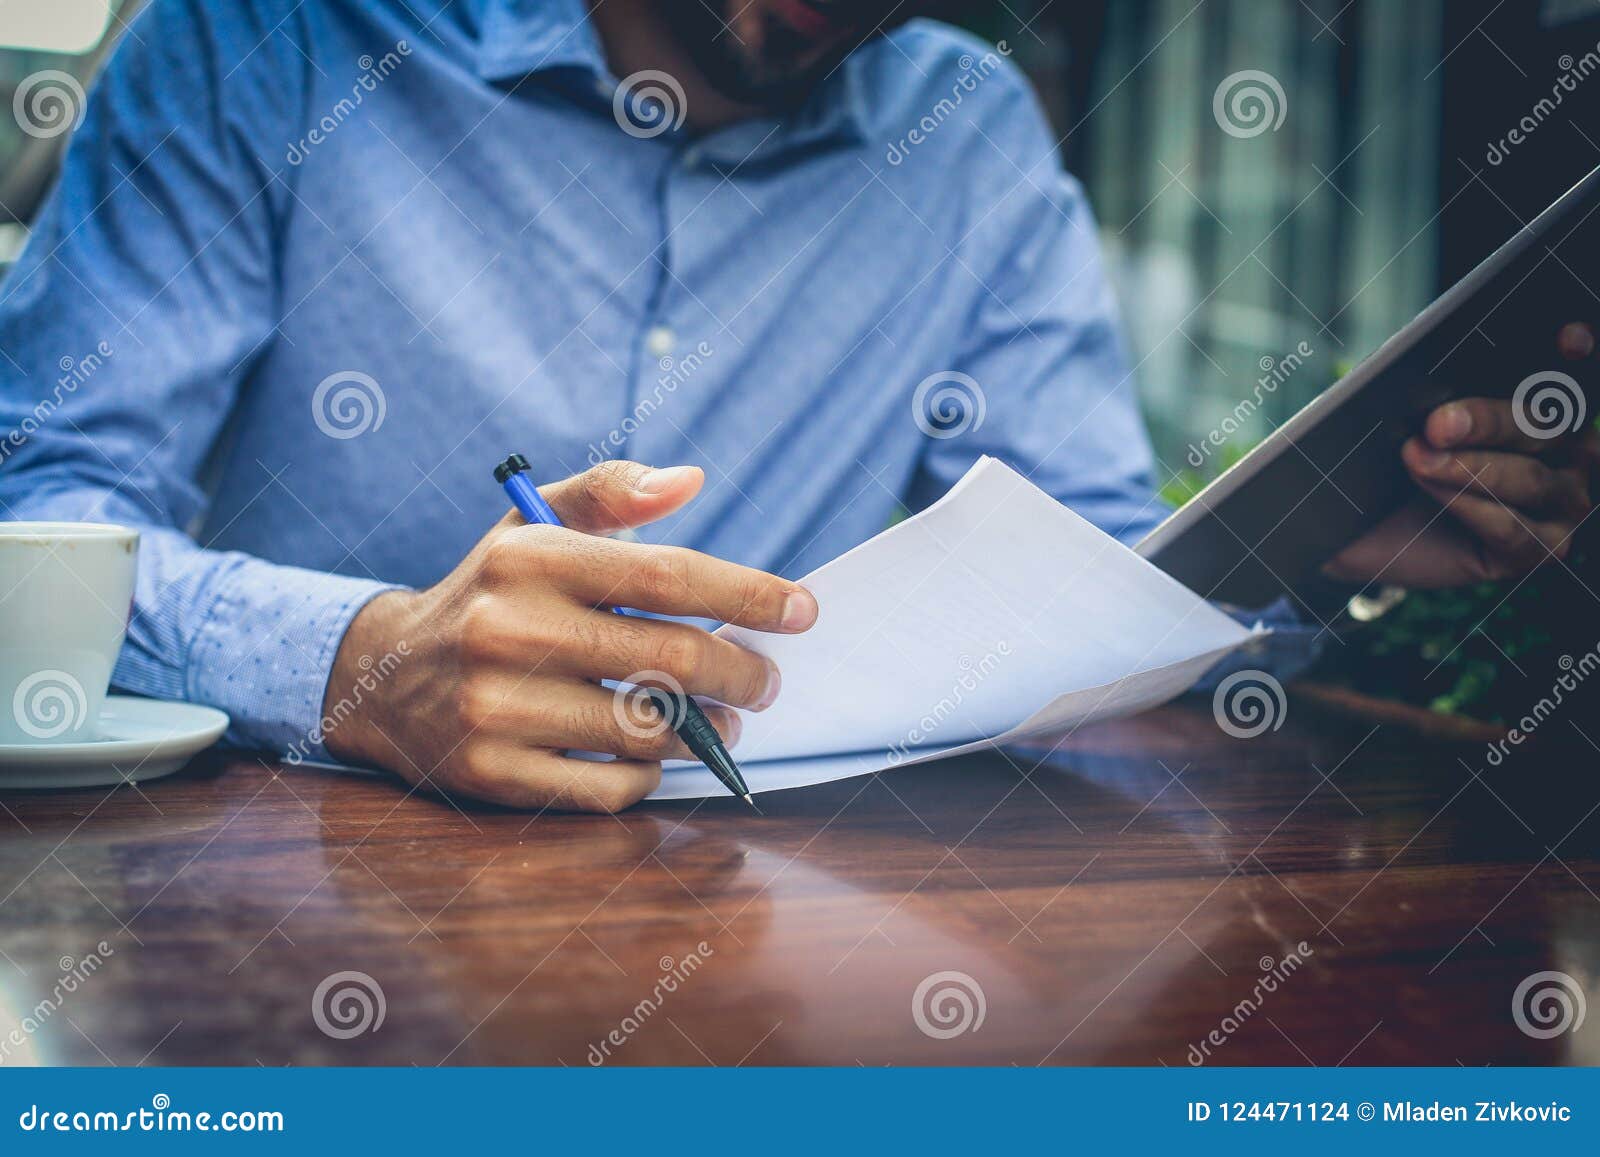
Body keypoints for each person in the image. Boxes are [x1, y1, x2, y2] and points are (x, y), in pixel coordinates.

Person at [0, 0, 1592, 811]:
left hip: (767, 950)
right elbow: (40, 528)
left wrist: (1312, 542)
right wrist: (359, 664)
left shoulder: (963, 140)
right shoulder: (262, 39)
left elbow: (1090, 559)